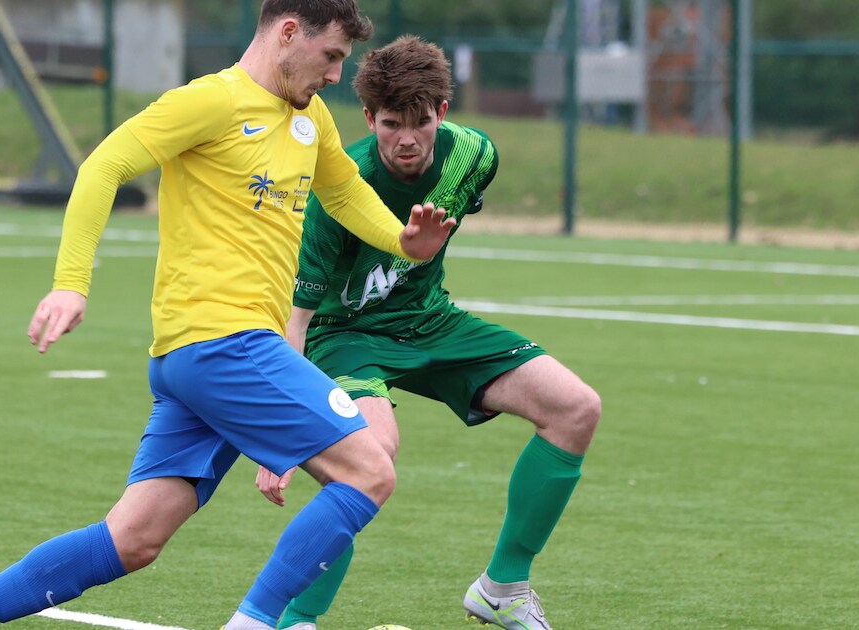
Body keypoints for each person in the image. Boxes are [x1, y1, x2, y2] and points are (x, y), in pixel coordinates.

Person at [0, 3, 457, 629]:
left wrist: (402, 242)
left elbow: (347, 192)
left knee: (133, 538)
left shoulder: (311, 120)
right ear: (289, 34)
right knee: (370, 469)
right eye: (330, 57)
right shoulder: (208, 102)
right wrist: (70, 285)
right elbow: (103, 166)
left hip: (202, 360)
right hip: (225, 343)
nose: (333, 75)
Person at [252, 36, 601, 630]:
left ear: (442, 111)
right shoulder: (340, 187)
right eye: (391, 124)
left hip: (429, 320)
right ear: (369, 118)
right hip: (343, 334)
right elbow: (297, 319)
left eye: (421, 122)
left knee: (576, 408)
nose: (406, 139)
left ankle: (502, 588)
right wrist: (278, 433)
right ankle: (295, 619)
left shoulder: (475, 156)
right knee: (372, 455)